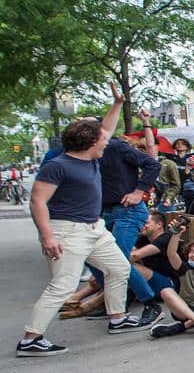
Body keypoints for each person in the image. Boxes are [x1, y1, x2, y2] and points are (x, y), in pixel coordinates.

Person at [18, 83, 148, 357]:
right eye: (102, 140)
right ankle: (31, 338)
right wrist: (47, 236)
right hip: (67, 231)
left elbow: (108, 128)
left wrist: (117, 103)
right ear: (90, 143)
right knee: (63, 285)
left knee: (119, 269)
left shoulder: (91, 159)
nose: (107, 142)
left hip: (95, 229)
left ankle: (117, 317)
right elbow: (37, 200)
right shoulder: (58, 166)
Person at [94, 121, 163, 327]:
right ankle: (115, 305)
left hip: (128, 211)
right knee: (93, 258)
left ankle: (151, 304)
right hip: (104, 211)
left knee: (118, 261)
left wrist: (139, 191)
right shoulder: (87, 153)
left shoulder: (115, 146)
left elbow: (153, 163)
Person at [129, 211, 181, 299]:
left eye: (146, 223)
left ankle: (98, 303)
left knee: (128, 267)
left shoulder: (166, 238)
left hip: (169, 285)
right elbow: (130, 252)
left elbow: (135, 256)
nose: (142, 225)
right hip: (151, 281)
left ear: (159, 224)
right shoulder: (144, 238)